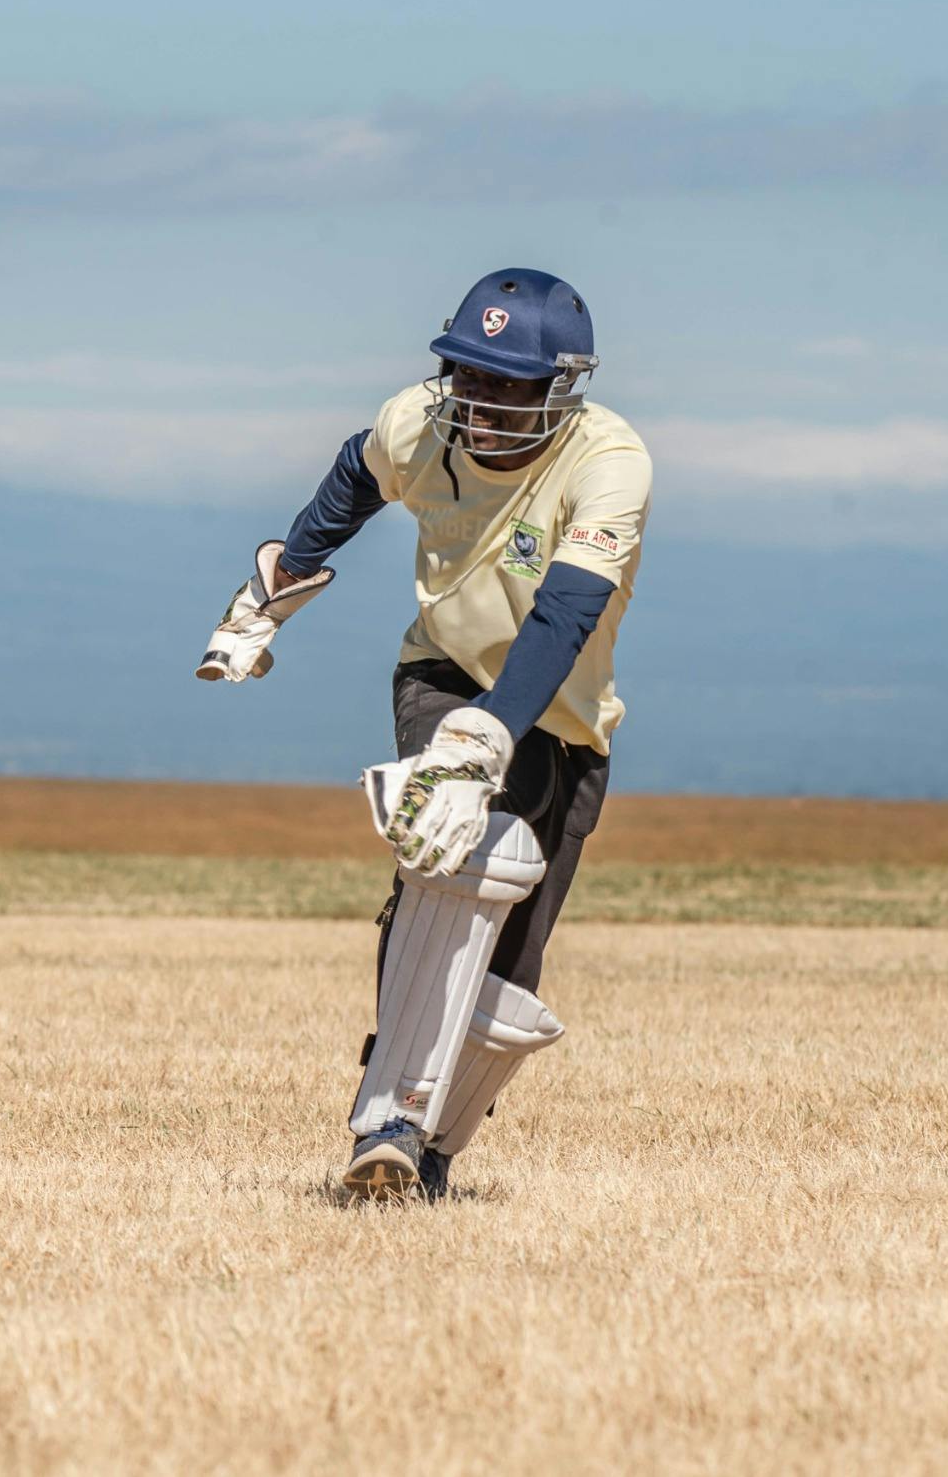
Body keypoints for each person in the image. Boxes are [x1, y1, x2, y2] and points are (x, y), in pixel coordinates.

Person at [196, 268, 652, 1201]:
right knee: (462, 859)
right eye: (469, 379)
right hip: (440, 671)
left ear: (559, 390)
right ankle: (389, 1118)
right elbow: (352, 479)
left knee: (511, 975)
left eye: (507, 386)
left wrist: (492, 737)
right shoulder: (417, 421)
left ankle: (430, 1154)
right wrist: (273, 593)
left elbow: (564, 619)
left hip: (561, 713)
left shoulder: (610, 462)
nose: (480, 405)